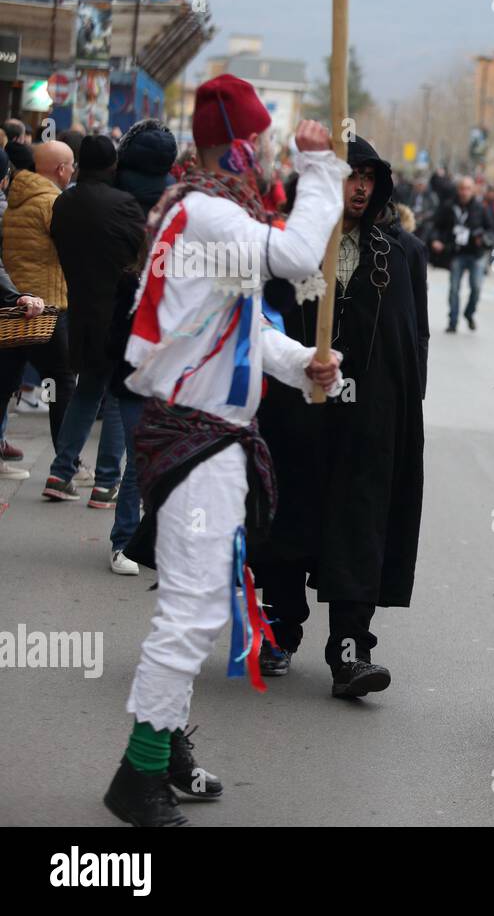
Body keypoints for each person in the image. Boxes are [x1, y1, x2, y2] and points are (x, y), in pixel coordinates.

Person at [104, 75, 347, 826]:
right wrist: (321, 167)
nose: (271, 156)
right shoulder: (208, 215)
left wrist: (302, 360)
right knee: (193, 609)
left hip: (207, 436)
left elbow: (241, 330)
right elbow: (303, 253)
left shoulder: (206, 214)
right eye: (266, 143)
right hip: (194, 436)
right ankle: (137, 777)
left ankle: (164, 742)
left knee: (198, 601)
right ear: (238, 146)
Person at [254, 136, 427, 697]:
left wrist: (403, 412)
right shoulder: (287, 250)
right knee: (289, 521)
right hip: (295, 413)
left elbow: (413, 339)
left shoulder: (402, 254)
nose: (359, 187)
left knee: (360, 527)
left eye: (368, 177)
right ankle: (278, 631)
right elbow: (263, 324)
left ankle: (350, 651)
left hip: (370, 421)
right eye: (349, 175)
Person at [40, 135, 145, 516]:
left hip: (80, 313)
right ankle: (105, 483)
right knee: (116, 398)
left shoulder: (64, 202)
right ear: (114, 165)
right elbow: (141, 248)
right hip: (118, 313)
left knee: (87, 392)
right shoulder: (125, 204)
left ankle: (60, 471)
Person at [106, 119, 179, 575]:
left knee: (138, 446)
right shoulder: (180, 205)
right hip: (166, 347)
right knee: (152, 451)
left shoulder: (113, 198)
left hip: (128, 345)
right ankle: (130, 539)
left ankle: (131, 538)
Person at [0, 141, 76, 453]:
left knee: (4, 383)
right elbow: (72, 252)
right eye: (71, 165)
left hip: (11, 306)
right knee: (61, 381)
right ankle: (64, 464)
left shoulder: (15, 198)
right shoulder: (53, 203)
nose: (73, 171)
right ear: (61, 169)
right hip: (46, 308)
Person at [432, 176, 491, 332]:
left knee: (476, 288)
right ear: (458, 190)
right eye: (462, 188)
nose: (464, 192)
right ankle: (452, 321)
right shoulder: (450, 207)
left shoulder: (480, 208)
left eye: (468, 189)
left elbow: (492, 229)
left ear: (473, 190)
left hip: (476, 254)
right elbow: (437, 225)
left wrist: (483, 239)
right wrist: (437, 240)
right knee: (454, 288)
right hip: (457, 253)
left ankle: (469, 314)